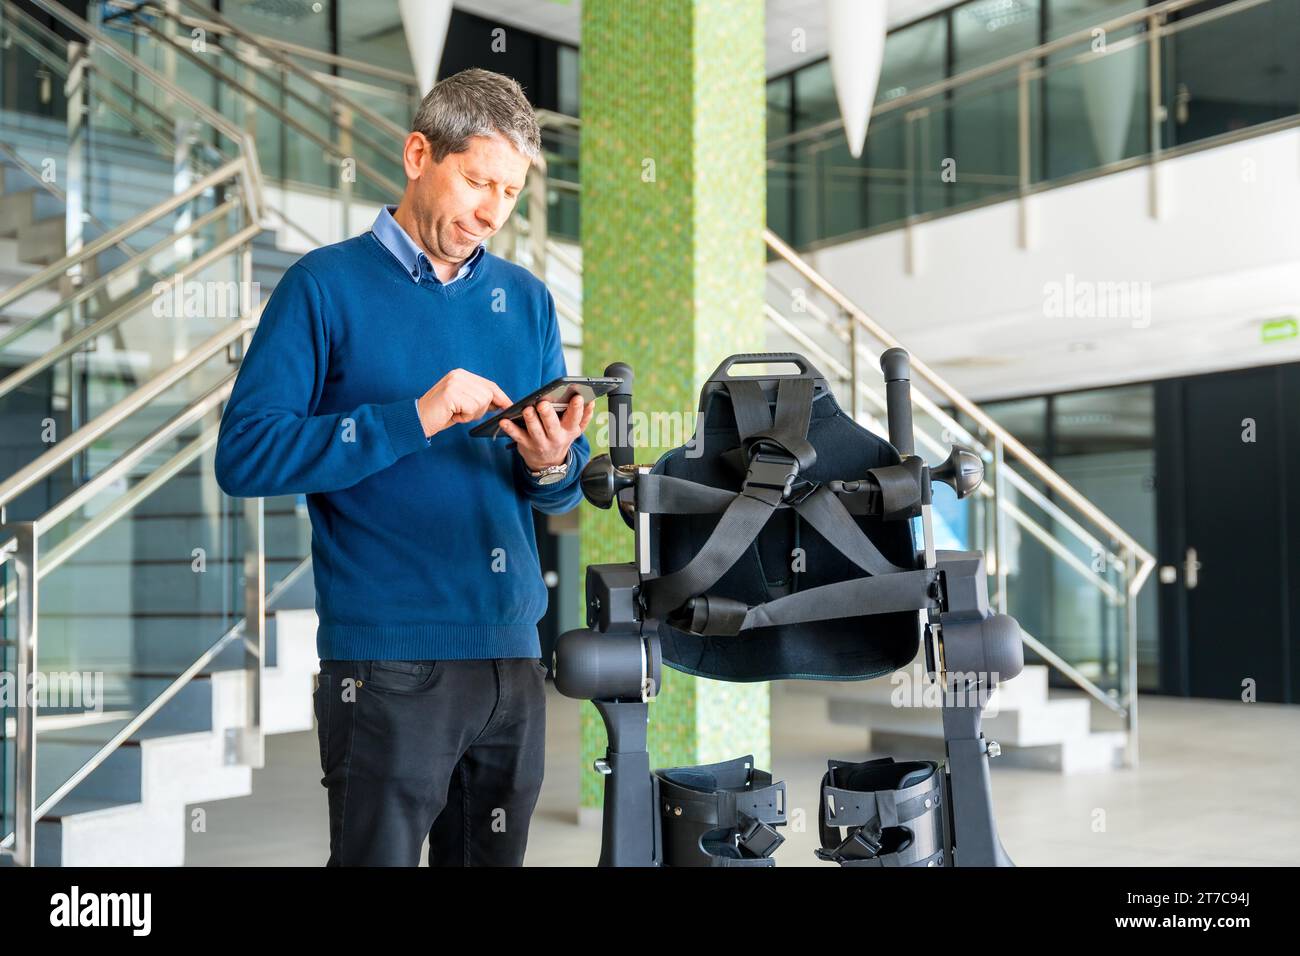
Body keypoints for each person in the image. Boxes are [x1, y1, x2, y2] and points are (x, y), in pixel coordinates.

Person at [215, 68, 592, 866]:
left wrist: (553, 462)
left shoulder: (527, 301)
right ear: (420, 153)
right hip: (387, 665)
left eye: (511, 193)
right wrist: (414, 418)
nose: (492, 211)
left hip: (512, 659)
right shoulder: (321, 286)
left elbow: (558, 480)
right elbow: (245, 454)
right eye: (477, 180)